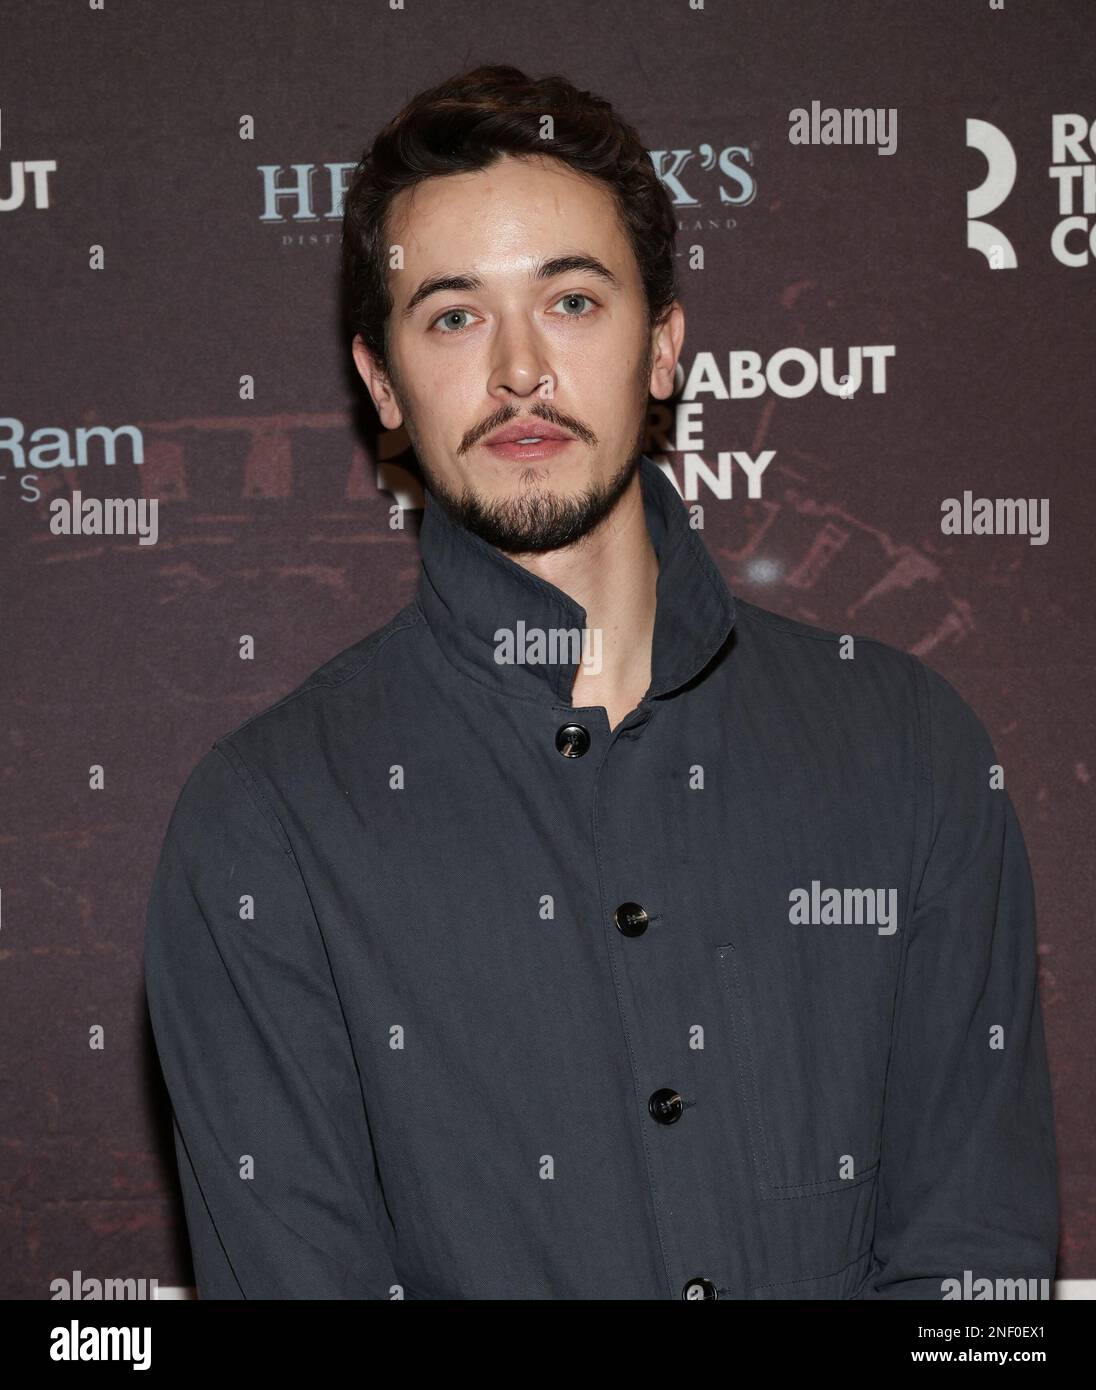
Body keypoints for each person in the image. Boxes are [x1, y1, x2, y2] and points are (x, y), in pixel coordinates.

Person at [144, 64, 1058, 1300]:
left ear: (662, 346)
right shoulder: (265, 828)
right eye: (454, 316)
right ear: (382, 384)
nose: (520, 369)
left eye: (571, 301)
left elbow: (976, 1275)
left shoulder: (908, 751)